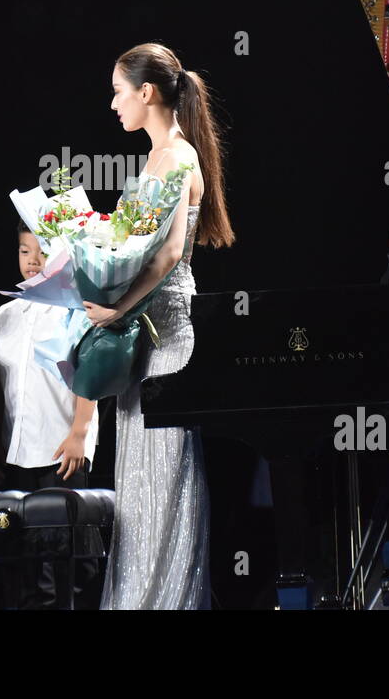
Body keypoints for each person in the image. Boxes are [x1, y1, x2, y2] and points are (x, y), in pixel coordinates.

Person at [83, 42, 235, 610]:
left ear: (146, 93)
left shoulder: (176, 155)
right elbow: (128, 244)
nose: (114, 102)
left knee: (163, 481)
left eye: (119, 90)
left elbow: (170, 253)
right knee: (140, 482)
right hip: (140, 336)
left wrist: (119, 308)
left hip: (165, 335)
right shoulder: (157, 157)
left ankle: (164, 600)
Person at [0, 222, 100, 608]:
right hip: (18, 450)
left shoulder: (77, 309)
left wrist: (79, 433)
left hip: (61, 448)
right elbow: (0, 381)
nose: (32, 260)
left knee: (66, 554)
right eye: (24, 250)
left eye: (42, 250)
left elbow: (91, 376)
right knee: (26, 553)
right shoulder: (7, 313)